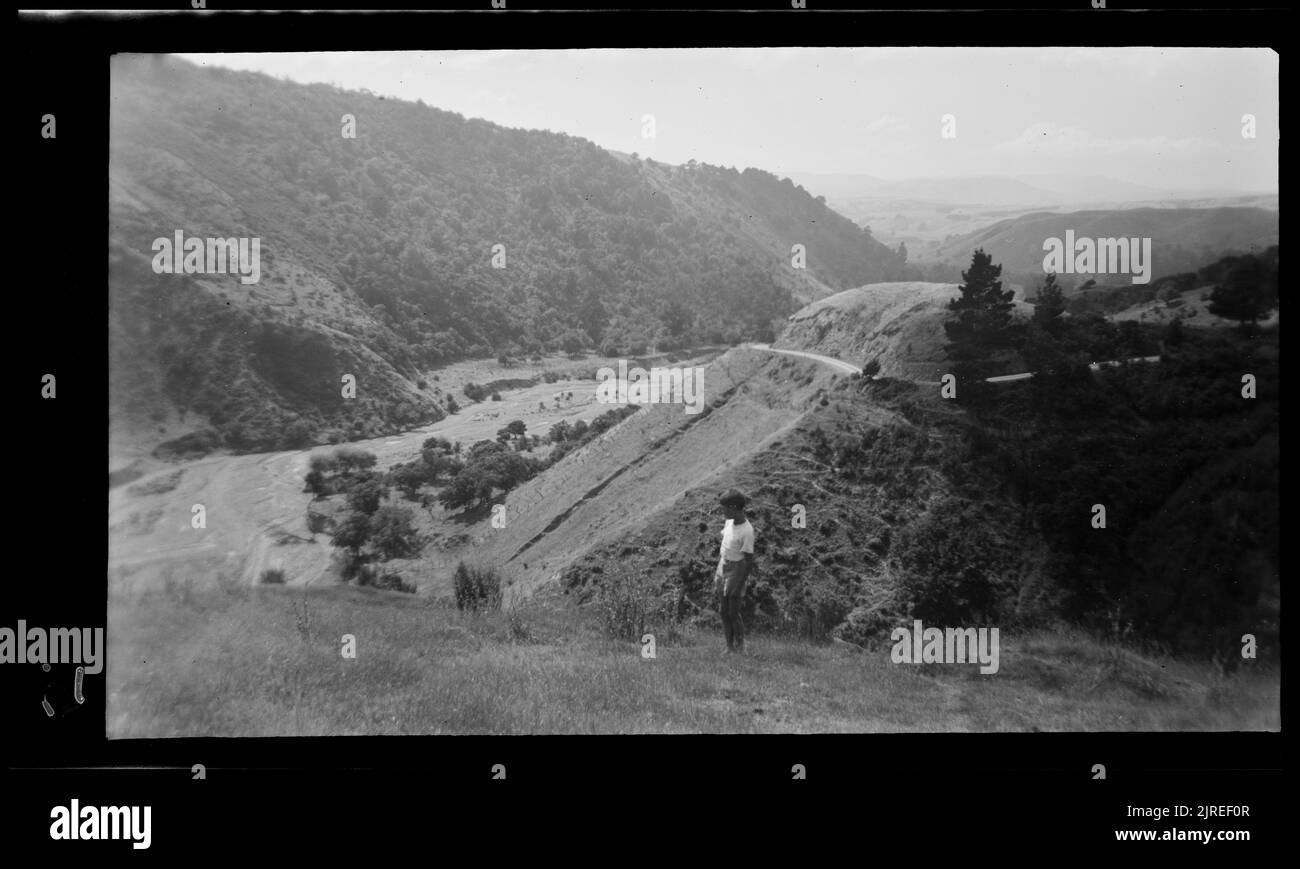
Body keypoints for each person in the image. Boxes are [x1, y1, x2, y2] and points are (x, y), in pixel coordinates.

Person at [713, 489, 756, 654]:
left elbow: (748, 560)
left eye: (724, 508)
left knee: (733, 611)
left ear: (733, 507)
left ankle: (740, 647)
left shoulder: (747, 531)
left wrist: (739, 584)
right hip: (723, 566)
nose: (722, 511)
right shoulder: (729, 523)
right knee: (723, 610)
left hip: (737, 570)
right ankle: (729, 647)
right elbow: (726, 540)